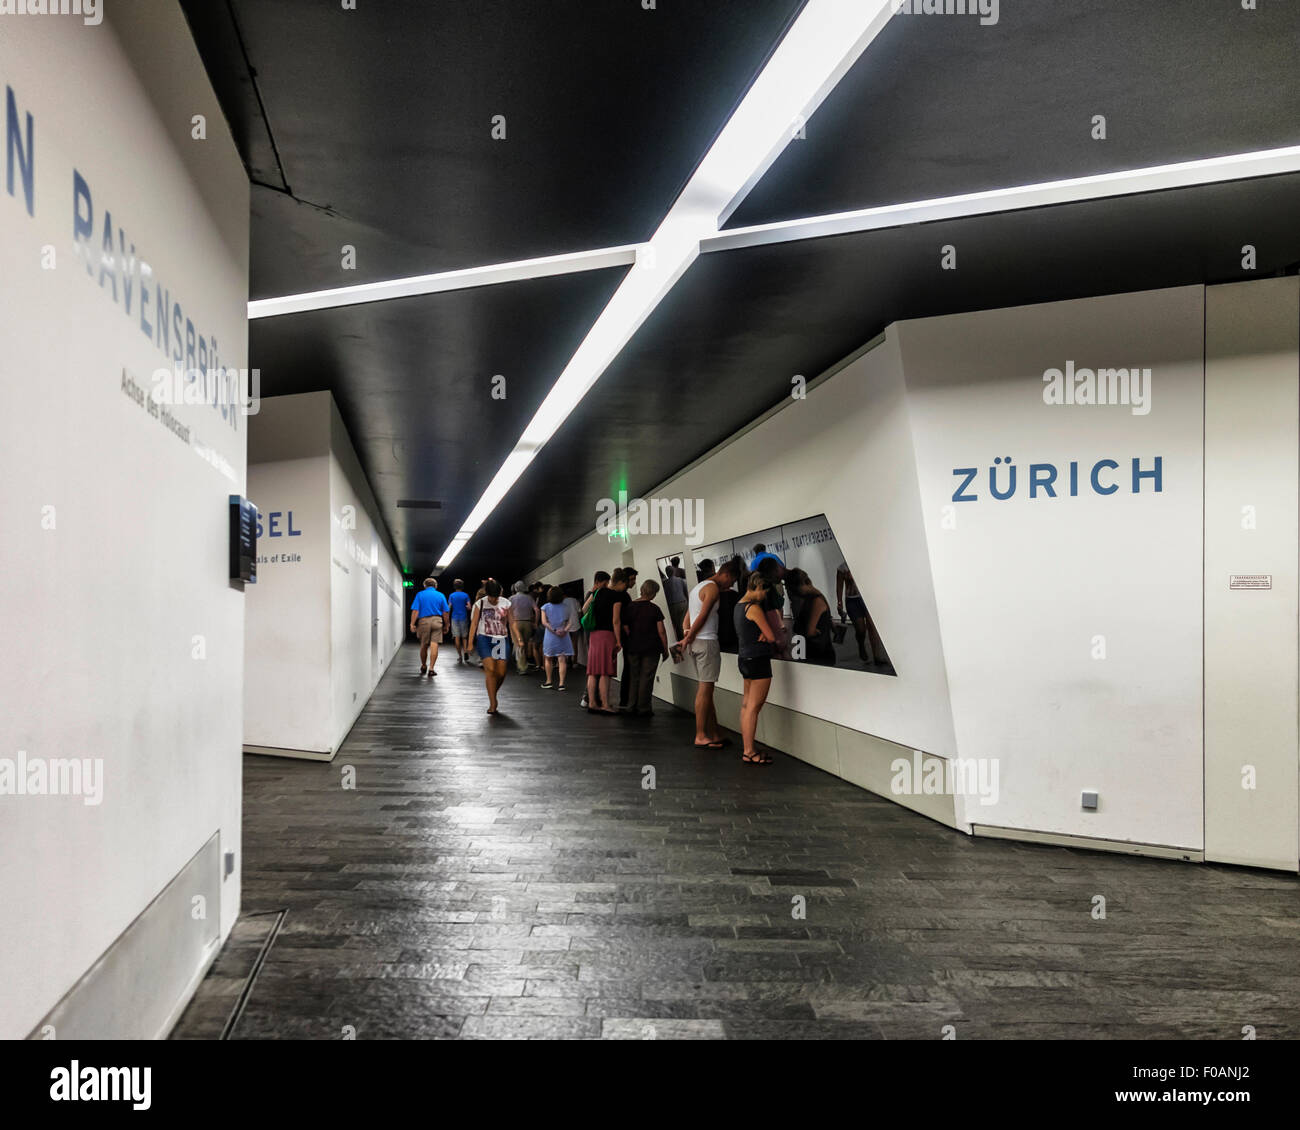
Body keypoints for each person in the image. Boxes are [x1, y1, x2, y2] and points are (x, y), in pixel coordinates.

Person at [678, 557, 739, 749]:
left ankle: (713, 732)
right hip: (706, 643)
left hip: (698, 643)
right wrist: (688, 638)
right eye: (732, 581)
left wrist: (688, 636)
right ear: (726, 574)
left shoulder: (698, 588)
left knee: (707, 690)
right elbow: (703, 616)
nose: (731, 585)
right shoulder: (712, 588)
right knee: (705, 690)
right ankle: (701, 735)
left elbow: (686, 620)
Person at [735, 574, 778, 764]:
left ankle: (747, 748)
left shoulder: (738, 606)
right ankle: (749, 751)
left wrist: (761, 633)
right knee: (754, 707)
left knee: (746, 705)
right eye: (764, 592)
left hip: (744, 659)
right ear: (758, 586)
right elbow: (771, 637)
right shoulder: (754, 608)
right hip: (759, 661)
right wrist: (765, 633)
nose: (764, 597)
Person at [622, 579, 668, 716]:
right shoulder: (654, 609)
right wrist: (665, 649)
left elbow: (625, 627)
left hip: (633, 647)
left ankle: (630, 706)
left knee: (634, 676)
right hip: (651, 648)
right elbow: (661, 631)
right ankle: (644, 708)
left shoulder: (629, 607)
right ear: (653, 593)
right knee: (646, 678)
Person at [467, 579, 512, 714]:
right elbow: (474, 624)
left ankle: (493, 693)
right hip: (484, 638)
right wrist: (470, 643)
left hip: (502, 639)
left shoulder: (506, 603)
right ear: (487, 594)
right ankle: (493, 703)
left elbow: (512, 622)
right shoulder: (479, 603)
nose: (494, 599)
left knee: (501, 672)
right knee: (491, 670)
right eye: (492, 596)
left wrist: (518, 638)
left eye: (496, 596)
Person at [582, 570, 620, 714]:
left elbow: (584, 609)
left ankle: (592, 703)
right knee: (605, 672)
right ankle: (605, 704)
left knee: (593, 672)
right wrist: (618, 640)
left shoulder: (595, 593)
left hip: (594, 635)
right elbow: (615, 620)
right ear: (606, 581)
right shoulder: (614, 596)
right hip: (607, 635)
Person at [786, 568, 835, 666]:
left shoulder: (815, 601)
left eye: (795, 589)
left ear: (803, 584)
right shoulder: (816, 598)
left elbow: (809, 631)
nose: (794, 592)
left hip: (818, 654)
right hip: (817, 652)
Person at [409, 577, 450, 678]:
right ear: (435, 586)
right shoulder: (441, 595)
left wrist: (412, 623)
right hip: (437, 621)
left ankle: (423, 665)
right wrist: (447, 624)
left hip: (423, 622)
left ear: (425, 585)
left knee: (424, 645)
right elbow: (445, 612)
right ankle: (431, 669)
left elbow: (415, 610)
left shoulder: (420, 594)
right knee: (434, 644)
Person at [539, 586, 573, 690]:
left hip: (550, 636)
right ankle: (561, 684)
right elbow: (570, 621)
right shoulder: (566, 607)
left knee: (548, 658)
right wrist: (565, 630)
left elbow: (544, 622)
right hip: (563, 635)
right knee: (562, 660)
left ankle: (549, 681)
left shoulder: (545, 607)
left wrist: (554, 630)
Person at [616, 566, 638, 710]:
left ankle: (625, 699)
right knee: (629, 667)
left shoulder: (621, 595)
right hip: (625, 636)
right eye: (632, 579)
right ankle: (625, 699)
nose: (634, 582)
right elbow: (621, 619)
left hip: (621, 635)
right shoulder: (623, 596)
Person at [508, 581, 537, 676]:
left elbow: (507, 611)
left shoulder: (511, 598)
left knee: (518, 644)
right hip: (527, 623)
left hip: (515, 623)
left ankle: (522, 667)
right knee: (523, 644)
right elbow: (537, 610)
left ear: (515, 589)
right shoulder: (529, 598)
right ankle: (521, 662)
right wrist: (535, 622)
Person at [662, 557, 688, 642]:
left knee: (676, 625)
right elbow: (685, 592)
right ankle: (684, 640)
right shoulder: (680, 580)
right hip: (683, 603)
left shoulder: (665, 583)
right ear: (673, 572)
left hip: (671, 605)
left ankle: (679, 641)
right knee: (683, 623)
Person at [447, 578, 472, 664]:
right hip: (464, 617)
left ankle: (460, 656)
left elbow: (449, 607)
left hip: (454, 618)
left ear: (454, 586)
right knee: (464, 637)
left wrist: (447, 619)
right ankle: (465, 651)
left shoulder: (452, 595)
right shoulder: (466, 595)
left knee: (456, 637)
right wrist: (466, 607)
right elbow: (469, 607)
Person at [562, 587, 585, 669]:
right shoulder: (576, 601)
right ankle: (574, 662)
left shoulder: (563, 602)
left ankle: (568, 661)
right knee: (574, 643)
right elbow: (580, 613)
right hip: (575, 625)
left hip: (566, 626)